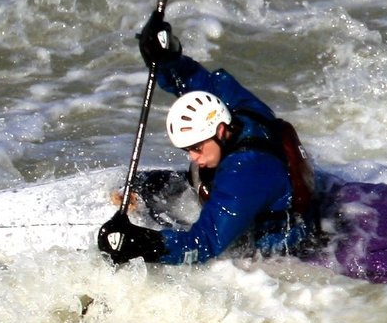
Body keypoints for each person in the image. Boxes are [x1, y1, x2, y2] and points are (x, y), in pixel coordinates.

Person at [97, 14, 317, 265]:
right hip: (252, 191)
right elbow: (202, 82)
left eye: (197, 147)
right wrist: (168, 58)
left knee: (188, 193)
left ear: (221, 131)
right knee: (147, 182)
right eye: (188, 148)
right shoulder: (240, 108)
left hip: (274, 246)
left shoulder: (245, 173)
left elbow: (204, 244)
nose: (192, 156)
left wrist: (144, 245)